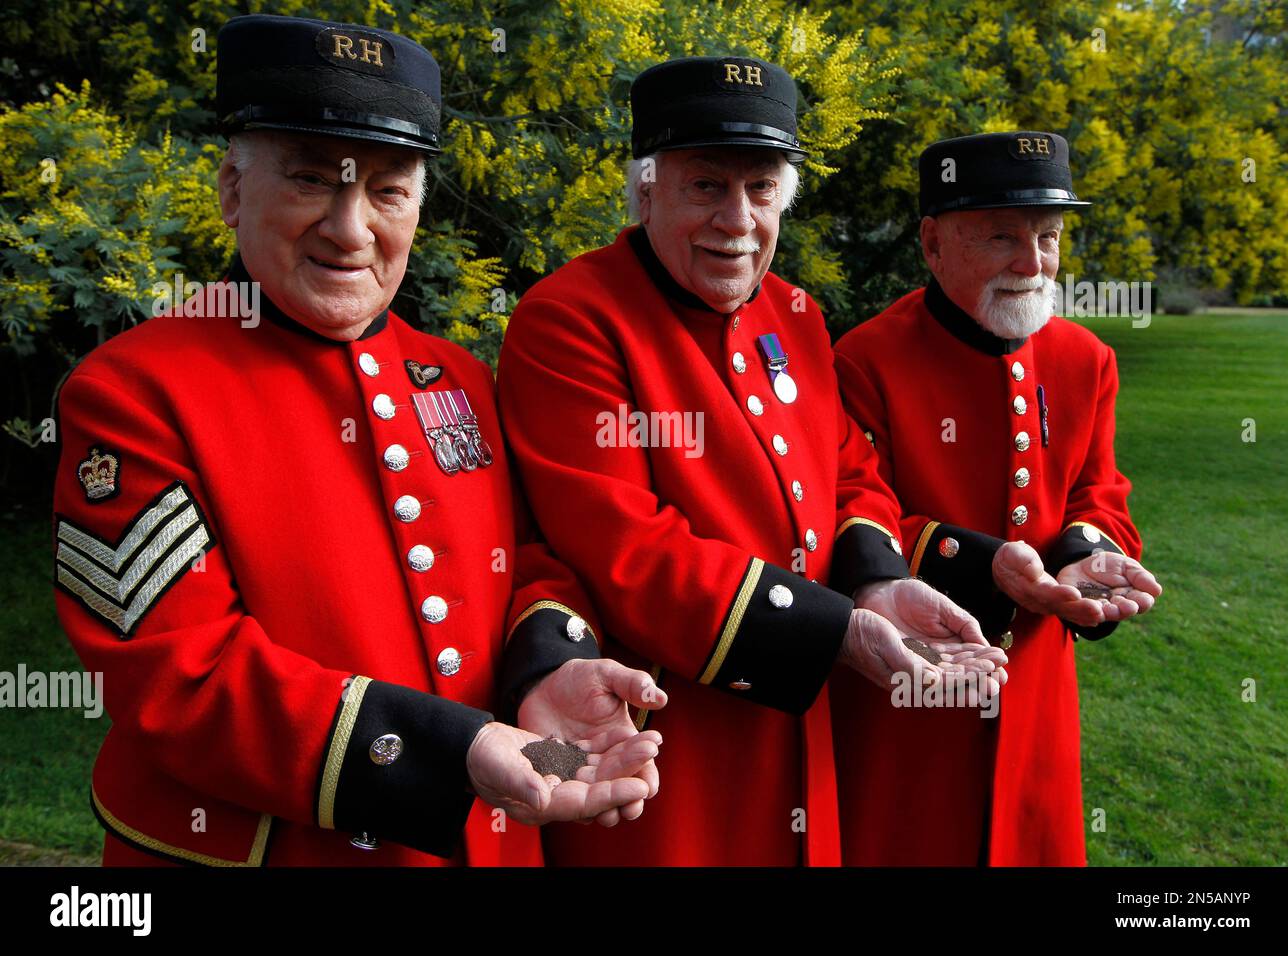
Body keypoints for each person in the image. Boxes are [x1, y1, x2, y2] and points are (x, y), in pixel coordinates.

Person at [52, 13, 664, 868]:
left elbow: (525, 561)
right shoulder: (132, 393)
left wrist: (546, 671)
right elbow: (177, 672)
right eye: (310, 180)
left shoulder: (454, 375)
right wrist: (453, 748)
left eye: (388, 191)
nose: (351, 229)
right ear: (232, 188)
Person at [497, 56, 1007, 866]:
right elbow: (626, 549)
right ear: (646, 189)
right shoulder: (569, 318)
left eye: (761, 189)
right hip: (660, 755)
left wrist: (877, 578)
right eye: (706, 186)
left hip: (801, 733)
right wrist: (837, 629)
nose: (738, 220)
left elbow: (848, 474)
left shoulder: (797, 312)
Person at [832, 131, 1163, 865]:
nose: (1033, 263)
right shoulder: (866, 358)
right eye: (1002, 237)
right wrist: (979, 564)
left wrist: (1085, 554)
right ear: (932, 243)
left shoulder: (1086, 359)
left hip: (1039, 686)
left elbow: (1100, 491)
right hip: (911, 683)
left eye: (1047, 238)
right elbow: (855, 510)